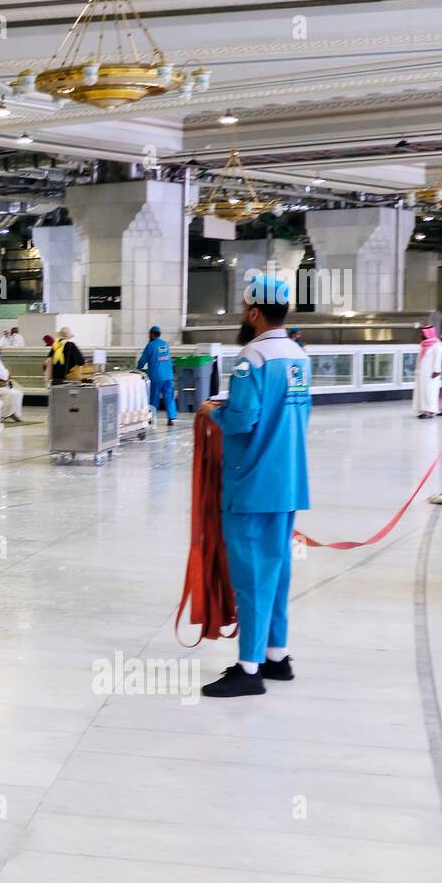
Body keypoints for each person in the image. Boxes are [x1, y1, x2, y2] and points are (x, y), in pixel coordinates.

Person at [198, 276, 311, 698]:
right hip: (288, 482)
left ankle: (248, 669)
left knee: (250, 577)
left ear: (254, 313)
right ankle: (276, 656)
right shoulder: (299, 357)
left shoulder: (253, 357)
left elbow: (243, 420)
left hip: (252, 485)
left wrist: (213, 413)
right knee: (277, 571)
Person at [137, 325, 177, 426]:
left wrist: (137, 369)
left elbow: (143, 360)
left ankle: (151, 418)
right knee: (169, 397)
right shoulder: (165, 344)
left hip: (156, 376)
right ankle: (171, 418)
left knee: (154, 397)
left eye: (149, 334)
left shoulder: (151, 345)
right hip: (168, 376)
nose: (148, 336)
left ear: (152, 334)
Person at [413, 324, 442, 419]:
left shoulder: (437, 344)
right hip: (422, 373)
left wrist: (436, 370)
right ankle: (424, 410)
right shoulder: (423, 344)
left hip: (431, 373)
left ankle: (430, 411)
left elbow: (437, 358)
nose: (421, 335)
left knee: (429, 392)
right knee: (422, 391)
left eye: (422, 333)